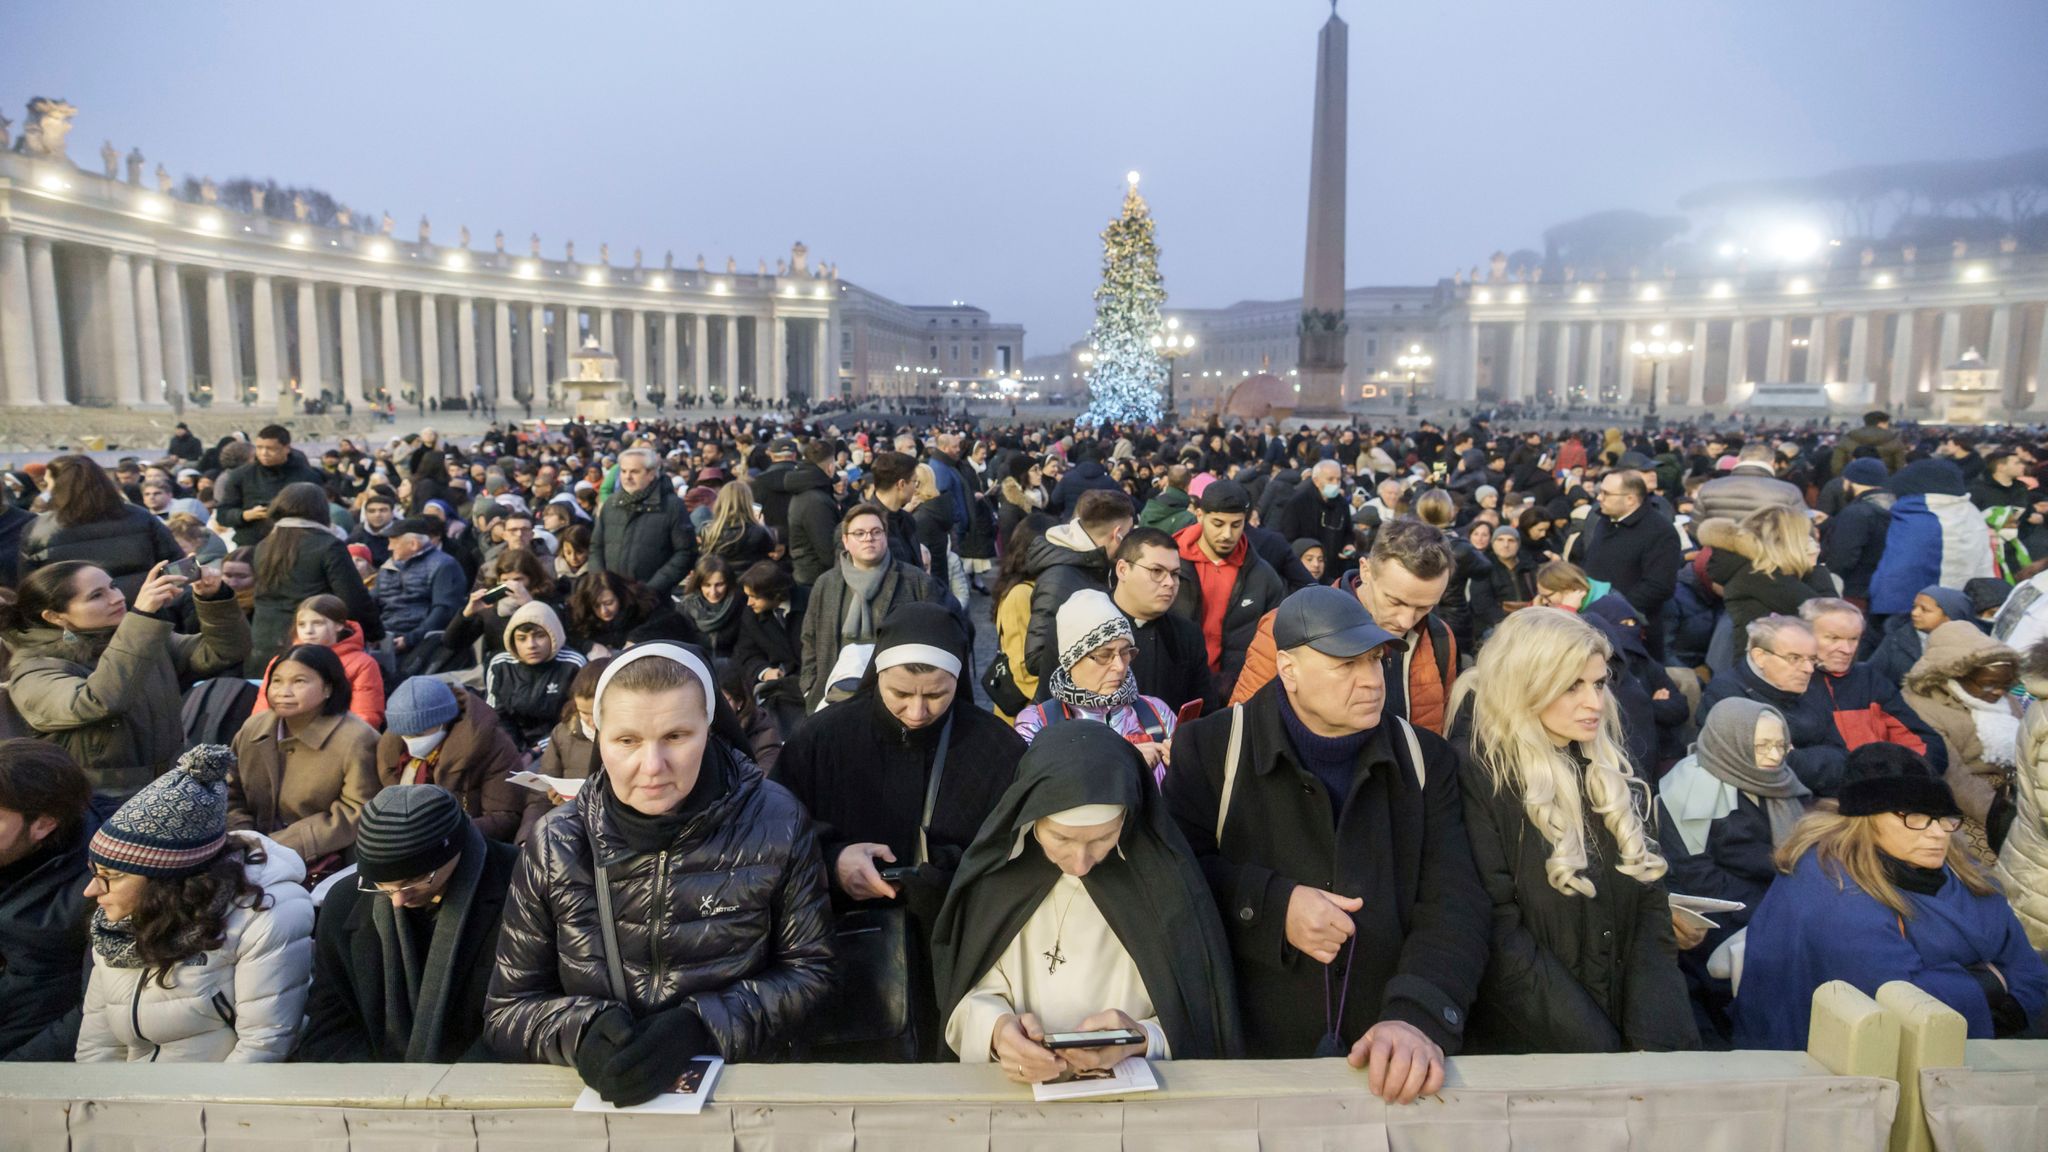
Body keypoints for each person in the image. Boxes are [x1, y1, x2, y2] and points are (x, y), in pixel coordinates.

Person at [1162, 587, 1490, 1101]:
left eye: (1377, 661)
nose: (1371, 681)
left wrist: (1418, 1016)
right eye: (1345, 665)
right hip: (1249, 1064)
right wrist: (1272, 907)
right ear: (1288, 669)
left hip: (1392, 1062)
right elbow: (1172, 883)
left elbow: (1456, 902)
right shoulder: (1211, 748)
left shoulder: (1425, 759)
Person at [484, 645, 833, 1105]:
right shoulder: (555, 844)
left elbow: (812, 972)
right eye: (626, 741)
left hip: (741, 1098)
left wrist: (702, 1024)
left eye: (675, 736)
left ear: (709, 730)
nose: (652, 767)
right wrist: (579, 1030)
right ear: (598, 737)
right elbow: (508, 1008)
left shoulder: (778, 822)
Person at [774, 604, 1023, 1057]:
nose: (917, 710)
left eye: (937, 695)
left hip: (952, 957)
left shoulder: (997, 747)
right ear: (877, 676)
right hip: (844, 956)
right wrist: (831, 861)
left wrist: (948, 876)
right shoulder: (821, 740)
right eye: (900, 692)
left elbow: (1016, 852)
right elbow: (773, 837)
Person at [1446, 608, 1697, 1053]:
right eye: (1571, 686)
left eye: (1599, 683)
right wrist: (1598, 1049)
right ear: (1524, 686)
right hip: (1532, 1050)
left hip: (1627, 1039)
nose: (1595, 703)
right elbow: (1498, 932)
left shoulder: (1614, 768)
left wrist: (1657, 1043)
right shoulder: (1474, 774)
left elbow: (1650, 909)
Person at [934, 721, 1242, 1077]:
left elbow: (1202, 1015)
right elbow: (967, 994)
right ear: (1032, 819)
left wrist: (1143, 1038)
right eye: (1062, 839)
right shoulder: (997, 883)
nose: (1081, 863)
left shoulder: (1167, 888)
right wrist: (997, 1031)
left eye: (1103, 839)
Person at [1734, 743, 2048, 1047]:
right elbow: (1898, 997)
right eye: (1915, 817)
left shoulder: (1963, 872)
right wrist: (1992, 984)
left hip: (1977, 1040)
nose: (1937, 832)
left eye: (1943, 817)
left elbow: (2028, 969)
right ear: (1866, 819)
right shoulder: (1830, 884)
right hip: (1834, 1070)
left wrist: (2013, 1006)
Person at [76, 746, 316, 1062]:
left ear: (164, 880)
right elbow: (98, 1049)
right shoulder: (116, 924)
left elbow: (262, 1048)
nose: (91, 891)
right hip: (131, 1104)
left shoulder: (266, 915)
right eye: (95, 873)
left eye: (112, 876)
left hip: (214, 1105)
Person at [298, 785, 521, 1062]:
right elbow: (329, 1021)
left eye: (414, 881)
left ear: (453, 851)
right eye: (382, 885)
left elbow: (527, 1016)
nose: (398, 900)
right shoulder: (345, 902)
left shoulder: (522, 888)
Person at [2, 560, 250, 797]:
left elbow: (224, 652)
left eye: (113, 586)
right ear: (55, 617)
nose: (117, 598)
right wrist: (141, 616)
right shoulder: (35, 669)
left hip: (171, 785)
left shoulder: (141, 639)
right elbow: (99, 700)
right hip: (97, 800)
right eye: (96, 596)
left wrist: (213, 598)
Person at [1654, 699, 1812, 1040]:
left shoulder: (1776, 780)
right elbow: (1698, 878)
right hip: (1718, 919)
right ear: (1731, 742)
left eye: (1780, 744)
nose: (1774, 756)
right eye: (1761, 746)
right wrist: (1778, 909)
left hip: (1778, 902)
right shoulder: (1689, 791)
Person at [1231, 519, 1458, 736]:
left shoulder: (1439, 637)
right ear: (1366, 571)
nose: (1406, 621)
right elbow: (1243, 727)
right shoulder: (1294, 624)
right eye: (1395, 601)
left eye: (1424, 607)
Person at [228, 644, 383, 873]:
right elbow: (231, 791)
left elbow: (357, 810)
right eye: (277, 681)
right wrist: (245, 836)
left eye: (299, 681)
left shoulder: (357, 739)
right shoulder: (254, 727)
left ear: (328, 688)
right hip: (246, 850)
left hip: (321, 859)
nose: (284, 691)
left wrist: (279, 845)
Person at [0, 739, 99, 1060]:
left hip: (33, 1055)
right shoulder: (12, 850)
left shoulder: (101, 887)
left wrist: (17, 1070)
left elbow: (93, 1011)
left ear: (44, 823)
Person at [800, 503, 951, 711]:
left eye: (875, 532)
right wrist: (809, 685)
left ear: (885, 537)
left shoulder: (916, 581)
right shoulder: (826, 584)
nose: (868, 538)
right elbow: (810, 638)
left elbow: (936, 636)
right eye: (859, 533)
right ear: (846, 540)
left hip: (896, 696)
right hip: (834, 695)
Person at [1014, 590, 1177, 783]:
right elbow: (1037, 794)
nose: (1119, 666)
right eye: (1103, 656)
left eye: (1125, 652)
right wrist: (1124, 762)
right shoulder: (1038, 723)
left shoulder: (1156, 712)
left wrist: (1183, 764)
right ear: (1071, 661)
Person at [1902, 621, 2023, 858]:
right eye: (1989, 684)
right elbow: (1954, 775)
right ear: (1957, 673)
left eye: (2005, 685)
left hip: (2014, 794)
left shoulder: (2007, 702)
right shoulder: (1921, 706)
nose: (1999, 692)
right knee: (1991, 860)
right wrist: (2003, 819)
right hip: (1958, 804)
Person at [1697, 614, 1851, 795]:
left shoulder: (1810, 687)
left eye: (1812, 659)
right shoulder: (1727, 694)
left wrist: (1793, 757)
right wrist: (1810, 757)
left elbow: (1841, 758)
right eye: (1794, 658)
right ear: (1759, 657)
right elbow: (1758, 771)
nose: (1808, 669)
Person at [245, 481, 383, 675]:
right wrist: (374, 632)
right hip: (309, 643)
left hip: (262, 640)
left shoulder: (264, 545)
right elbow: (352, 597)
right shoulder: (328, 545)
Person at [1171, 480, 1287, 702]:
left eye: (1236, 525)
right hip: (1176, 688)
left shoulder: (1263, 575)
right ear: (1199, 515)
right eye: (1218, 523)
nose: (1226, 534)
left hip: (1234, 693)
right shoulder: (1169, 564)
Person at [377, 678, 526, 843]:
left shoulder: (493, 745)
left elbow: (505, 815)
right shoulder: (395, 750)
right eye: (405, 734)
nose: (411, 740)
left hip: (472, 843)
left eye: (419, 734)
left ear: (444, 722)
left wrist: (444, 832)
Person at [18, 454, 181, 602]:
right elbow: (176, 565)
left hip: (80, 619)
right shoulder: (140, 516)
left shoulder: (38, 530)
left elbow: (32, 587)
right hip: (148, 610)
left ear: (57, 486)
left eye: (48, 483)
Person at [1801, 598, 1943, 767]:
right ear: (1805, 636)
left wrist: (1902, 775)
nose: (1847, 650)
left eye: (1853, 639)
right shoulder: (1789, 684)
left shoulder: (1870, 680)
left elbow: (1923, 742)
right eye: (1833, 638)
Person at [1022, 489, 1135, 684]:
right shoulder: (1059, 578)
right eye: (1129, 533)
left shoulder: (1100, 566)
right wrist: (1097, 659)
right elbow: (1036, 657)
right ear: (1117, 534)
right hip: (1074, 701)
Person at [1111, 526, 1217, 715]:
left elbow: (1203, 711)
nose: (1169, 582)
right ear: (1123, 570)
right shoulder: (1083, 626)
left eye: (1175, 573)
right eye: (1156, 571)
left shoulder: (1187, 634)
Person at [1698, 505, 1836, 648]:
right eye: (1806, 535)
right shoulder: (1761, 575)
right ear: (1792, 540)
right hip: (1765, 666)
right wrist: (1815, 567)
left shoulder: (1754, 569)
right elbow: (1829, 617)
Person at [1585, 469, 1683, 659]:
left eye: (1606, 493)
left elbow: (1659, 585)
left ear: (1630, 499)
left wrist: (1615, 610)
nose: (1599, 497)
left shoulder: (1660, 531)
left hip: (1632, 631)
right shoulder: (1604, 521)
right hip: (1593, 622)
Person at [252, 594, 388, 730]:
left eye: (318, 623)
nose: (308, 631)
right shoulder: (281, 661)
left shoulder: (362, 664)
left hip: (337, 741)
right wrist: (259, 734)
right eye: (302, 624)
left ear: (339, 625)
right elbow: (262, 708)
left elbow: (366, 716)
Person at [519, 658, 609, 844]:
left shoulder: (630, 741)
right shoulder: (563, 733)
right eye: (584, 713)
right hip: (569, 831)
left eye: (597, 713)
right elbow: (539, 799)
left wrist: (578, 804)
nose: (591, 722)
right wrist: (526, 839)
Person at [591, 447, 699, 594]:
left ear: (651, 473)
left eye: (634, 472)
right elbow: (596, 547)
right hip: (613, 598)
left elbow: (686, 552)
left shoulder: (672, 506)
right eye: (623, 471)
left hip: (653, 601)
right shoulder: (611, 504)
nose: (627, 477)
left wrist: (650, 590)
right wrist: (601, 585)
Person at [375, 517, 468, 676]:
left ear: (413, 544)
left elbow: (444, 610)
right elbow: (373, 602)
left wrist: (410, 639)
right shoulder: (387, 568)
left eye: (394, 542)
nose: (389, 547)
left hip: (423, 643)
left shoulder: (444, 565)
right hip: (385, 638)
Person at [214, 424, 326, 547]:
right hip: (252, 544)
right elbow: (222, 514)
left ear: (286, 448)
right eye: (259, 448)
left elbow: (320, 515)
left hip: (295, 544)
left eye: (270, 448)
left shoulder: (307, 477)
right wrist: (245, 515)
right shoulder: (241, 475)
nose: (264, 453)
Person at [1819, 458, 1893, 609]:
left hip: (1855, 589)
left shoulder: (1856, 512)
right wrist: (1832, 522)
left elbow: (1842, 557)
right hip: (1883, 587)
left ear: (1849, 481)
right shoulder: (1894, 506)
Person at [1870, 584, 1977, 689]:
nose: (1915, 613)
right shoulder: (1896, 640)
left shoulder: (1974, 646)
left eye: (1925, 610)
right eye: (1914, 607)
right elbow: (1872, 676)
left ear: (1950, 616)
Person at [564, 568, 688, 656]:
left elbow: (672, 621)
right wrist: (589, 646)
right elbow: (568, 635)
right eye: (596, 606)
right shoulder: (581, 613)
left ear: (620, 596)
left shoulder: (642, 603)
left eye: (609, 603)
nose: (604, 611)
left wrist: (636, 638)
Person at [733, 561, 806, 689]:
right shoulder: (751, 616)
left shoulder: (809, 602)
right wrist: (765, 672)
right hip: (782, 684)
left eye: (754, 597)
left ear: (775, 594)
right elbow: (747, 653)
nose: (749, 603)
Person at [784, 441, 843, 587]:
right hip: (816, 580)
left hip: (811, 575)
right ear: (830, 468)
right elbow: (827, 550)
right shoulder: (816, 501)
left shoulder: (809, 492)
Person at [678, 554, 742, 660]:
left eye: (719, 585)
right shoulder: (685, 608)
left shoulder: (741, 604)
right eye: (707, 585)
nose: (713, 592)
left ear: (728, 583)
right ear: (698, 584)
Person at [699, 480, 774, 570]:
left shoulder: (709, 530)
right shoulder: (757, 531)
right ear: (748, 502)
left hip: (720, 579)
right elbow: (770, 548)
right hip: (750, 579)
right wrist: (763, 527)